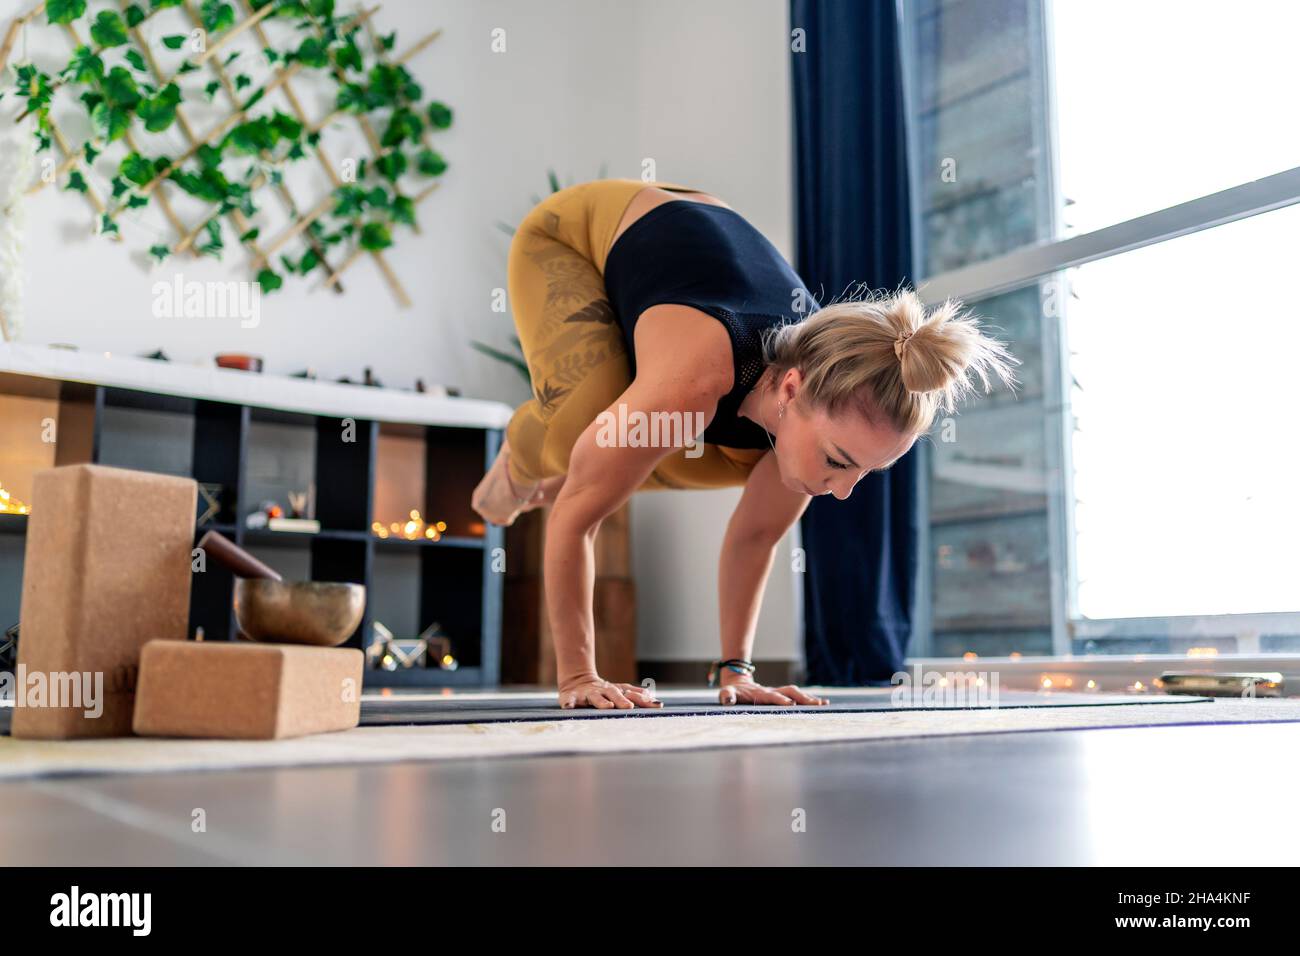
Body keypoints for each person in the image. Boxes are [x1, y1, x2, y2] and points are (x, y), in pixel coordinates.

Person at [472, 179, 1018, 710]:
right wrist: (578, 677)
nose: (844, 491)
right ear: (790, 386)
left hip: (694, 244)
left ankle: (590, 470)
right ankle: (522, 461)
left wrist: (738, 671)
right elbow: (576, 521)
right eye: (839, 461)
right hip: (577, 235)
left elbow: (754, 537)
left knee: (738, 465)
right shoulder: (692, 383)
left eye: (862, 474)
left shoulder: (802, 410)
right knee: (588, 425)